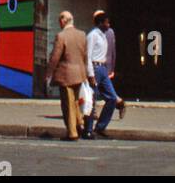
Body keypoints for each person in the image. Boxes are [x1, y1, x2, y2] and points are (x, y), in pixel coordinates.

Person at [46, 10, 92, 141]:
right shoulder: (82, 34)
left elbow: (55, 57)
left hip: (66, 74)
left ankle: (72, 132)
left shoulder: (61, 36)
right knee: (77, 102)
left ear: (62, 21)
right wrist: (86, 73)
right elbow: (85, 55)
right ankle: (80, 124)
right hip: (80, 73)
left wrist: (49, 73)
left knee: (68, 104)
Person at [84, 10, 125, 138]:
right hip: (95, 68)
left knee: (112, 98)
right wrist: (90, 74)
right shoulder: (93, 35)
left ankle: (100, 127)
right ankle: (88, 130)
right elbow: (87, 56)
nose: (109, 24)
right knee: (91, 99)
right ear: (101, 22)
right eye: (107, 22)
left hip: (103, 69)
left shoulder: (103, 35)